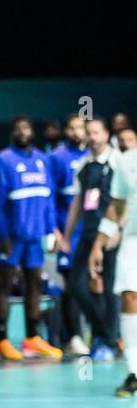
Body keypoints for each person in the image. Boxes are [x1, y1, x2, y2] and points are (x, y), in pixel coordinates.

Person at [0, 117, 62, 361]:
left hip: (35, 236)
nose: (22, 132)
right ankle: (2, 340)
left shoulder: (43, 160)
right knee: (4, 285)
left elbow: (49, 199)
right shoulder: (3, 159)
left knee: (34, 284)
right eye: (17, 128)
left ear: (33, 131)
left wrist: (51, 231)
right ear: (11, 133)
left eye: (26, 127)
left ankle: (32, 338)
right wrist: (2, 235)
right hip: (12, 236)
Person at [62, 118, 121, 360]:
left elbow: (123, 201)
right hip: (88, 233)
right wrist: (66, 235)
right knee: (76, 285)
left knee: (110, 288)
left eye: (97, 132)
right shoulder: (83, 166)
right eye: (89, 133)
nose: (93, 137)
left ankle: (110, 340)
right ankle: (103, 332)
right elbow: (77, 202)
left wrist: (117, 229)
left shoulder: (118, 162)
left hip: (111, 234)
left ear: (106, 135)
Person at [88, 136, 137, 396]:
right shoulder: (126, 162)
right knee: (130, 297)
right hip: (133, 241)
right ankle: (134, 371)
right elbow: (116, 208)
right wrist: (99, 244)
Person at [48, 115, 89, 354]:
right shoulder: (57, 158)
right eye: (71, 128)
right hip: (67, 233)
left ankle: (104, 335)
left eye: (80, 128)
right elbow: (49, 196)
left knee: (95, 284)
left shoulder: (93, 158)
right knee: (71, 285)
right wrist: (55, 230)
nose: (76, 132)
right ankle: (73, 336)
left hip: (92, 232)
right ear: (66, 131)